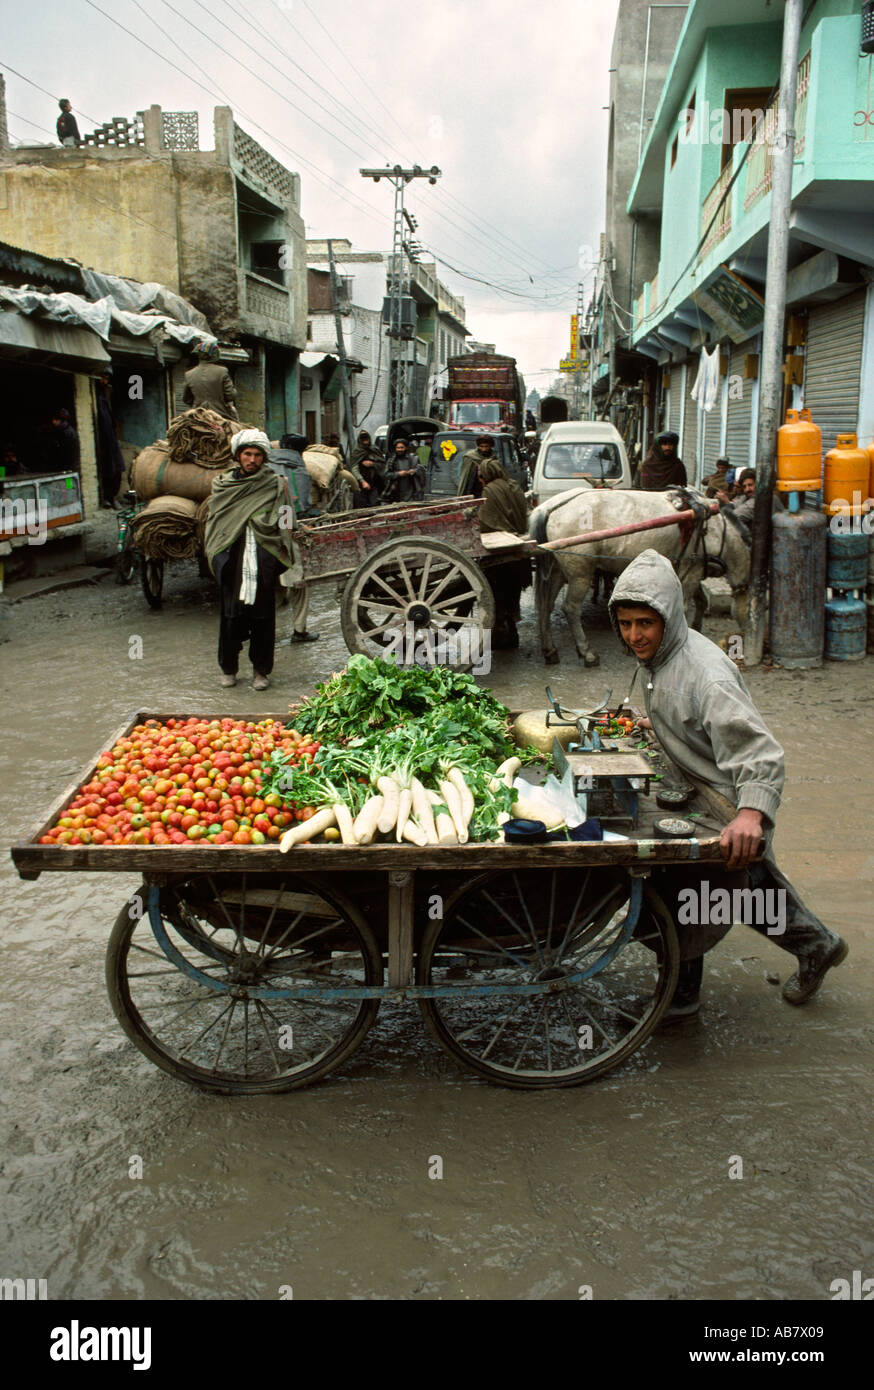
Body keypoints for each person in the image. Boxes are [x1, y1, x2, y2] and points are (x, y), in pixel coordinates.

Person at [607, 549, 848, 1020]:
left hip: (726, 805)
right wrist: (640, 724)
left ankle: (812, 947)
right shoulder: (659, 655)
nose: (634, 635)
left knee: (719, 893)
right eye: (626, 624)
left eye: (645, 624)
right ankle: (691, 990)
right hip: (693, 791)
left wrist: (750, 815)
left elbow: (761, 753)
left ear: (669, 619)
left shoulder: (707, 675)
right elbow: (681, 720)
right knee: (702, 896)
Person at [204, 429, 318, 691]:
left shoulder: (276, 484)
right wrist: (216, 553)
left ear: (264, 457)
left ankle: (260, 672)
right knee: (230, 617)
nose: (252, 459)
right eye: (247, 454)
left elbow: (287, 513)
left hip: (264, 553)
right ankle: (229, 669)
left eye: (257, 455)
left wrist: (288, 539)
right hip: (232, 555)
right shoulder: (222, 486)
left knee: (263, 617)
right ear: (238, 456)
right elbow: (214, 521)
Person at [477, 457, 530, 649]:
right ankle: (512, 635)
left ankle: (500, 637)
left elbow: (487, 521)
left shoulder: (489, 491)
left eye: (481, 476)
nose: (480, 480)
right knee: (512, 596)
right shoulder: (514, 486)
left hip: (498, 555)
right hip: (517, 549)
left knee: (496, 596)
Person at [183, 344, 238, 420]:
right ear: (214, 355)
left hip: (197, 416)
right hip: (220, 414)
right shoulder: (222, 371)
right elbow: (230, 395)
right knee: (239, 430)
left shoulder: (189, 374)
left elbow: (186, 399)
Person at [94, 368, 124, 508]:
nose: (104, 381)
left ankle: (113, 497)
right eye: (102, 378)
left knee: (117, 469)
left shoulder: (106, 394)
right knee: (106, 469)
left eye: (106, 379)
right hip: (102, 439)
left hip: (111, 437)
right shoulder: (95, 394)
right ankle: (106, 498)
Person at [269, 433, 316, 516]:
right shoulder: (301, 471)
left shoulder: (268, 462)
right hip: (292, 515)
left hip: (271, 513)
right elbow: (304, 501)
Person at [348, 429, 385, 508]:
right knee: (361, 506)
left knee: (375, 505)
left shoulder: (375, 450)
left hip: (374, 483)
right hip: (360, 485)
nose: (365, 441)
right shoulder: (357, 452)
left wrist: (373, 464)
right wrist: (362, 481)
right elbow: (354, 468)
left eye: (366, 438)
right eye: (363, 439)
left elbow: (383, 464)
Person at [383, 436, 425, 503]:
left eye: (402, 447)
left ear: (406, 448)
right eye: (398, 448)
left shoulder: (413, 459)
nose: (400, 449)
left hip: (411, 492)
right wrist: (398, 474)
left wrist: (414, 471)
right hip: (396, 492)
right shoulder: (391, 461)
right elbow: (386, 475)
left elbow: (421, 470)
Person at [40, 408, 80, 473]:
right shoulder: (60, 431)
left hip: (68, 467)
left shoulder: (67, 432)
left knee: (69, 481)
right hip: (65, 467)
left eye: (56, 420)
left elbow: (68, 452)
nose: (53, 422)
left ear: (61, 420)